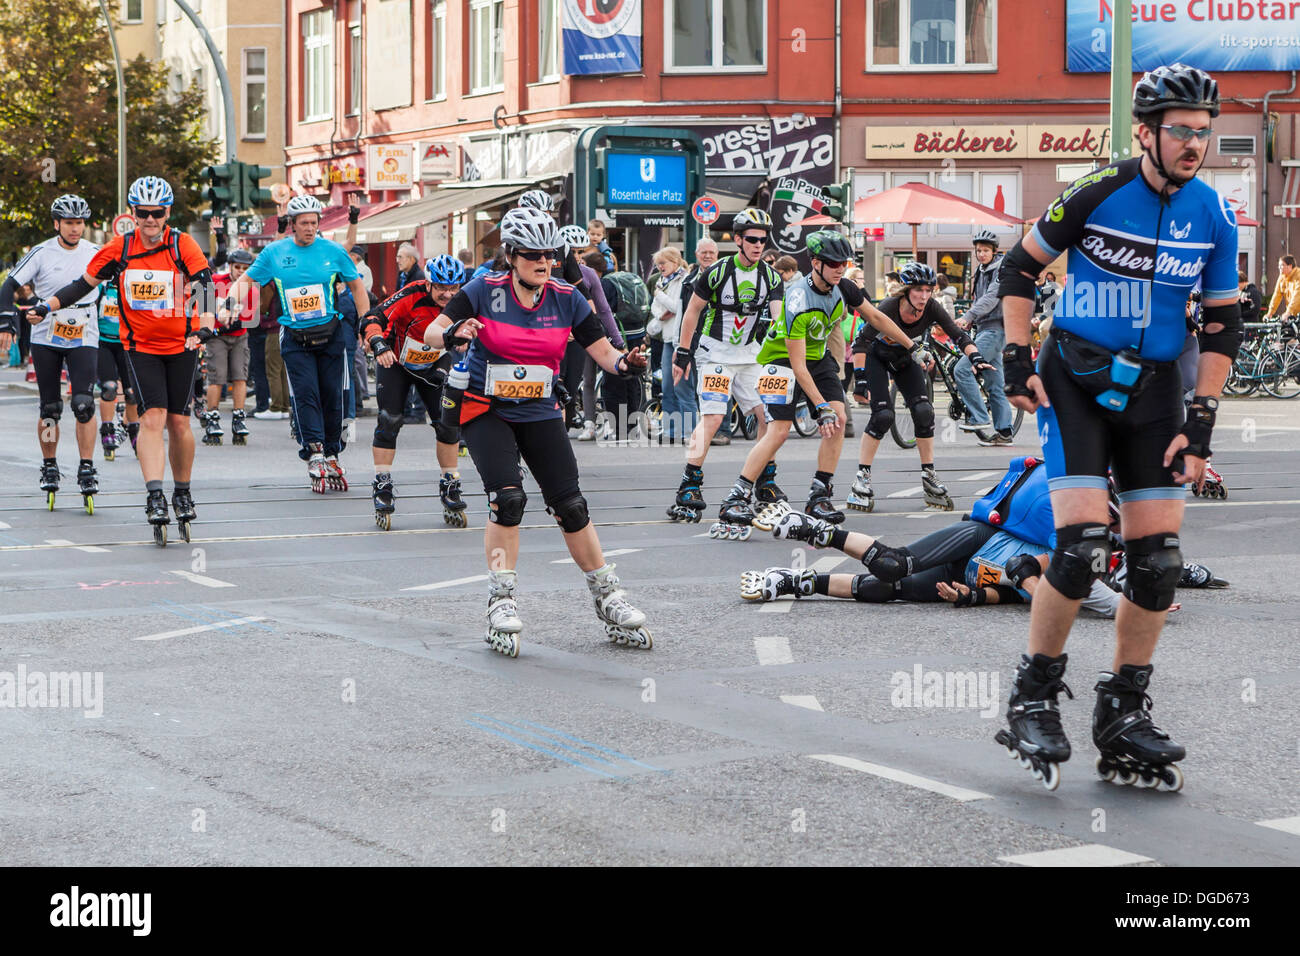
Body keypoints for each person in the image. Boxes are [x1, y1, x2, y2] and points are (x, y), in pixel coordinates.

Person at [994, 63, 1242, 792]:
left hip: (1158, 393)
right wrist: (1014, 362)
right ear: (1146, 131)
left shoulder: (1214, 215)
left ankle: (1122, 710)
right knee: (1079, 547)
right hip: (1074, 377)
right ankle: (1033, 695)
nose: (1195, 143)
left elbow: (1223, 324)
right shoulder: (1097, 193)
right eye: (1181, 131)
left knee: (1159, 561)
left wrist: (1200, 424)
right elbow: (1017, 268)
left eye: (1204, 131)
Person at [424, 206, 652, 657]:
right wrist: (454, 336)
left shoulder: (567, 296)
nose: (542, 263)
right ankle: (501, 599)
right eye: (531, 255)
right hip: (485, 408)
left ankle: (607, 594)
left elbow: (603, 350)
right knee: (507, 499)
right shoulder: (483, 290)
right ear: (510, 255)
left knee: (571, 503)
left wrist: (627, 364)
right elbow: (434, 330)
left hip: (540, 407)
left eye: (548, 254)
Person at [743, 457, 1224, 609]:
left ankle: (793, 582)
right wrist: (1126, 608)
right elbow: (1023, 571)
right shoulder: (1088, 547)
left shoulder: (1111, 559)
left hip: (972, 576)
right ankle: (810, 528)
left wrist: (976, 598)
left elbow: (1013, 591)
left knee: (880, 589)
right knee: (892, 564)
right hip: (978, 540)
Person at [33, 178, 217, 543]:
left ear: (168, 213)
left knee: (179, 424)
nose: (150, 221)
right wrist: (46, 306)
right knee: (152, 418)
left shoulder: (183, 244)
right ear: (133, 214)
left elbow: (205, 287)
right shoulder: (120, 247)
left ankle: (182, 491)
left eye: (157, 214)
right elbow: (81, 285)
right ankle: (155, 495)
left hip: (182, 343)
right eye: (143, 214)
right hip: (141, 346)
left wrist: (207, 325)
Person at [723, 230, 916, 537]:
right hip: (781, 361)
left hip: (819, 357)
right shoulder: (798, 297)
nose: (840, 267)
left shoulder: (845, 287)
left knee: (839, 421)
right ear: (815, 263)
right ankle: (736, 496)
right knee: (780, 431)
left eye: (844, 262)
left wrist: (911, 345)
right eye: (833, 262)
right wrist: (820, 406)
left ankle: (819, 494)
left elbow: (876, 318)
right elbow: (798, 365)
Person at [228, 195, 369, 493]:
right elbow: (248, 282)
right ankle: (315, 450)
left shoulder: (332, 251)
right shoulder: (274, 253)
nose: (310, 228)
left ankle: (332, 451)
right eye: (304, 223)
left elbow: (357, 286)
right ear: (292, 225)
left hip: (331, 334)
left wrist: (367, 324)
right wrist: (228, 303)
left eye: (314, 223)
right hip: (294, 336)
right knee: (306, 394)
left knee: (334, 395)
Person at [847, 262, 991, 513]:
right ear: (906, 290)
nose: (924, 297)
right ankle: (862, 477)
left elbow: (958, 334)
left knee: (924, 412)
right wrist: (860, 378)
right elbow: (861, 343)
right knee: (882, 416)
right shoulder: (890, 307)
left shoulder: (932, 307)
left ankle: (929, 475)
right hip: (876, 358)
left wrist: (975, 357)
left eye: (929, 290)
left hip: (906, 359)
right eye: (918, 291)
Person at [669, 209, 783, 524]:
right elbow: (692, 312)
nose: (759, 245)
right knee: (715, 416)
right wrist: (682, 351)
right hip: (715, 355)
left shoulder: (771, 277)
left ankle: (765, 481)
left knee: (769, 416)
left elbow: (777, 317)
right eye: (752, 239)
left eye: (763, 239)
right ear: (737, 240)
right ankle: (689, 485)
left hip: (751, 357)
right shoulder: (716, 272)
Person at [0, 194, 102, 511]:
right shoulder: (42, 252)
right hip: (47, 331)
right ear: (57, 223)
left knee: (84, 404)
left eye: (80, 223)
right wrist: (6, 321)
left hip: (85, 328)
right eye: (69, 223)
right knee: (50, 408)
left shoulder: (95, 253)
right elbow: (8, 286)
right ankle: (50, 464)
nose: (75, 229)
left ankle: (86, 466)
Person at [357, 253, 468, 529]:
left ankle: (450, 483)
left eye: (453, 288)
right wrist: (378, 343)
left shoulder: (464, 300)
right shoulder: (411, 293)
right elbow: (372, 317)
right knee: (390, 420)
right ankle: (382, 483)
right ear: (428, 284)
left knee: (447, 424)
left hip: (435, 362)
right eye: (441, 287)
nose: (448, 294)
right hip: (395, 361)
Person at [951, 229, 1017, 445]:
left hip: (995, 330)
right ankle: (1005, 432)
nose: (981, 254)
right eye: (978, 250)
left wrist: (968, 316)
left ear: (994, 251)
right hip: (986, 329)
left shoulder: (1000, 270)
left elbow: (991, 297)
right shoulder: (982, 269)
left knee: (961, 369)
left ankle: (978, 417)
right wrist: (970, 319)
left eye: (985, 250)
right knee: (994, 383)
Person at [201, 248, 255, 446]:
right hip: (217, 337)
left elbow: (250, 316)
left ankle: (238, 419)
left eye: (245, 268)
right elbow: (203, 302)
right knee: (217, 377)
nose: (241, 271)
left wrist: (234, 320)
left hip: (239, 336)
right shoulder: (216, 281)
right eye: (237, 267)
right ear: (230, 267)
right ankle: (212, 418)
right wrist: (214, 318)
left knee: (240, 376)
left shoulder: (250, 286)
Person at [93, 255, 140, 459]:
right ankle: (108, 430)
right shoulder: (102, 287)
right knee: (110, 387)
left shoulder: (131, 285)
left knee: (131, 392)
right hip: (104, 343)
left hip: (125, 343)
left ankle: (135, 433)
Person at [648, 247, 697, 443]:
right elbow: (656, 308)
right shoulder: (662, 281)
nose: (660, 267)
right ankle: (670, 430)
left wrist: (660, 298)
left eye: (663, 263)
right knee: (667, 387)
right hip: (666, 338)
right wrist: (662, 312)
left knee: (683, 389)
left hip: (680, 340)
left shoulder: (684, 280)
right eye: (658, 263)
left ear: (675, 262)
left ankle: (690, 432)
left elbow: (679, 307)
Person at [1264, 255, 1300, 321]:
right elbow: (1276, 295)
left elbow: (1297, 296)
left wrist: (1288, 312)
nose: (1279, 267)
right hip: (1293, 313)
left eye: (1282, 265)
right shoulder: (1282, 277)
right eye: (1279, 266)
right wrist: (1270, 313)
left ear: (1290, 266)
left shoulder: (1298, 275)